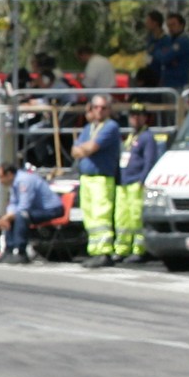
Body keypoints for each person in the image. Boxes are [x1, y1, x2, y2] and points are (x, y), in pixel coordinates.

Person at [71, 94, 122, 265]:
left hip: (102, 177)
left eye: (103, 108)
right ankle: (95, 250)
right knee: (90, 215)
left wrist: (83, 149)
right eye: (96, 107)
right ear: (91, 109)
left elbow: (91, 148)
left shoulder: (110, 127)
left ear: (109, 110)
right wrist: (83, 149)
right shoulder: (89, 128)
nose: (99, 111)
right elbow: (75, 150)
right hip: (87, 178)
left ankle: (104, 251)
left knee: (101, 215)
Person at [0, 161, 64, 263]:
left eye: (1, 177)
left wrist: (8, 217)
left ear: (9, 174)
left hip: (52, 209)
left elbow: (24, 206)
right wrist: (6, 217)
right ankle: (8, 250)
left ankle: (21, 252)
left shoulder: (24, 180)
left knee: (21, 216)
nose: (0, 181)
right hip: (37, 210)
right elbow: (13, 203)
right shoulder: (15, 183)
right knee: (12, 217)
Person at [116, 101, 163, 263]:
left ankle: (139, 249)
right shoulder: (131, 136)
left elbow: (150, 161)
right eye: (132, 115)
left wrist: (142, 180)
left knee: (136, 218)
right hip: (124, 183)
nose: (135, 119)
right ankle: (122, 248)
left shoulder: (147, 137)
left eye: (138, 115)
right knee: (123, 218)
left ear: (145, 118)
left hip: (136, 182)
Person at [160, 12, 189, 89]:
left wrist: (167, 56)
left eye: (173, 25)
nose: (170, 28)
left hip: (179, 84)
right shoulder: (169, 41)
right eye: (169, 25)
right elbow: (160, 55)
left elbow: (166, 58)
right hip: (167, 83)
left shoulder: (183, 41)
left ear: (181, 25)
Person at [139, 10, 167, 89]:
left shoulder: (165, 40)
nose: (146, 23)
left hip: (160, 76)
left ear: (155, 23)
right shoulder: (150, 39)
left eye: (148, 21)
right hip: (149, 75)